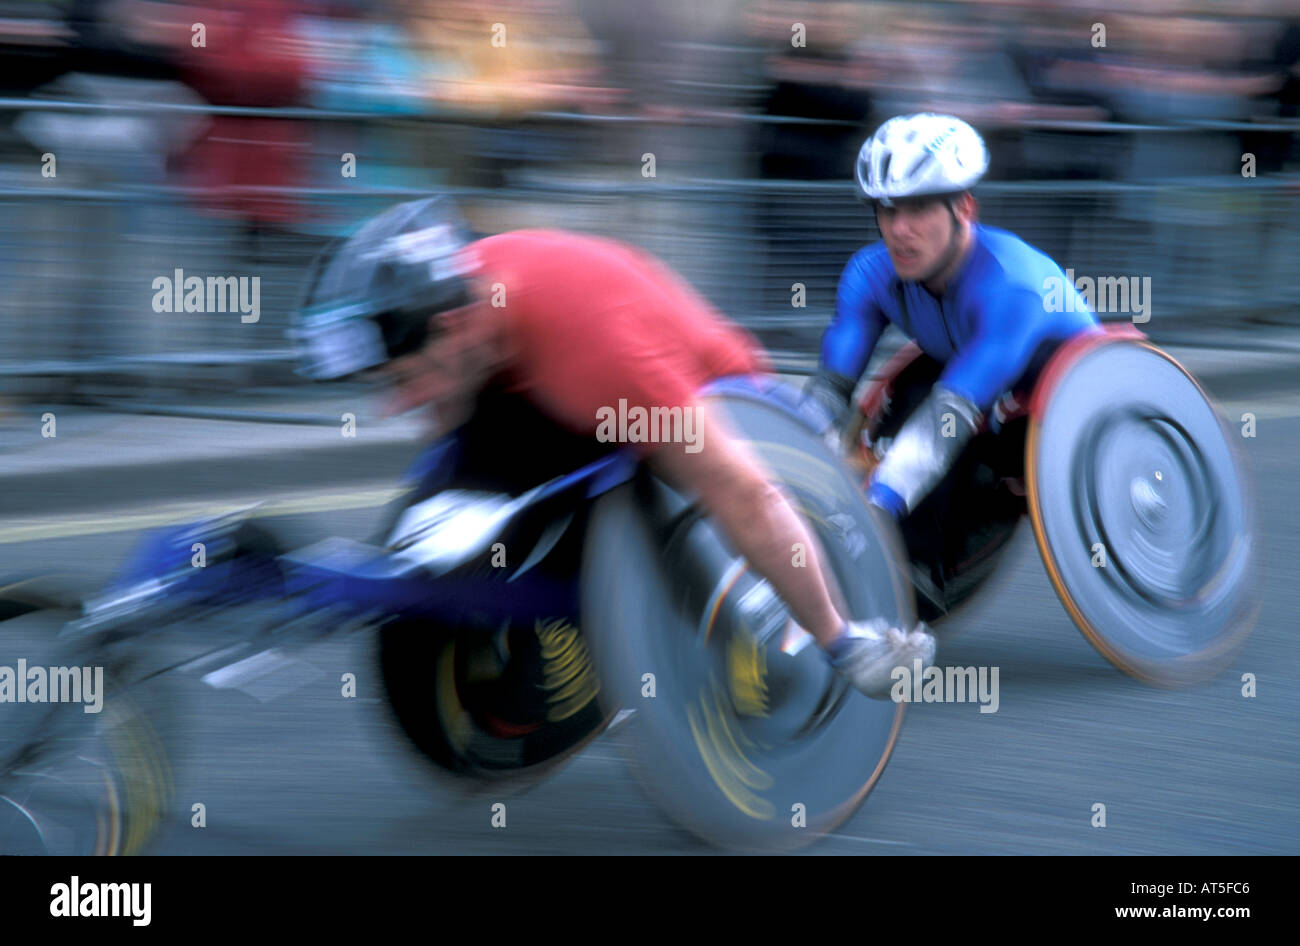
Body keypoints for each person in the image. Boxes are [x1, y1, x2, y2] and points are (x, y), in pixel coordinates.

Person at [290, 197, 933, 699]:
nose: (393, 407)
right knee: (435, 540)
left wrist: (841, 640)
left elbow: (745, 492)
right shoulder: (461, 300)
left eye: (402, 381)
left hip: (702, 392)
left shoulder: (602, 361)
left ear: (451, 330)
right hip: (540, 384)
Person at [803, 113, 1101, 568]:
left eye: (919, 208)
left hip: (1068, 411)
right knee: (911, 395)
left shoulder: (1011, 286)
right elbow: (828, 394)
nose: (900, 230)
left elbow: (947, 421)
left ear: (964, 209)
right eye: (888, 209)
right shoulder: (868, 275)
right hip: (973, 388)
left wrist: (874, 509)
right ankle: (912, 578)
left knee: (935, 425)